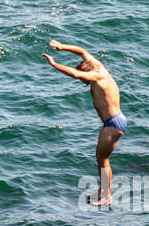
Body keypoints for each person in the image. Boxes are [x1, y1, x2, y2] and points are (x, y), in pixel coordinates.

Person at [42, 40, 127, 206]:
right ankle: (102, 192)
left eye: (84, 82)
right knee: (101, 158)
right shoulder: (96, 65)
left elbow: (76, 74)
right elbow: (82, 50)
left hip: (114, 123)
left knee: (102, 159)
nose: (84, 83)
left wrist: (54, 63)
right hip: (111, 122)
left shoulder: (97, 75)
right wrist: (62, 47)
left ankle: (106, 196)